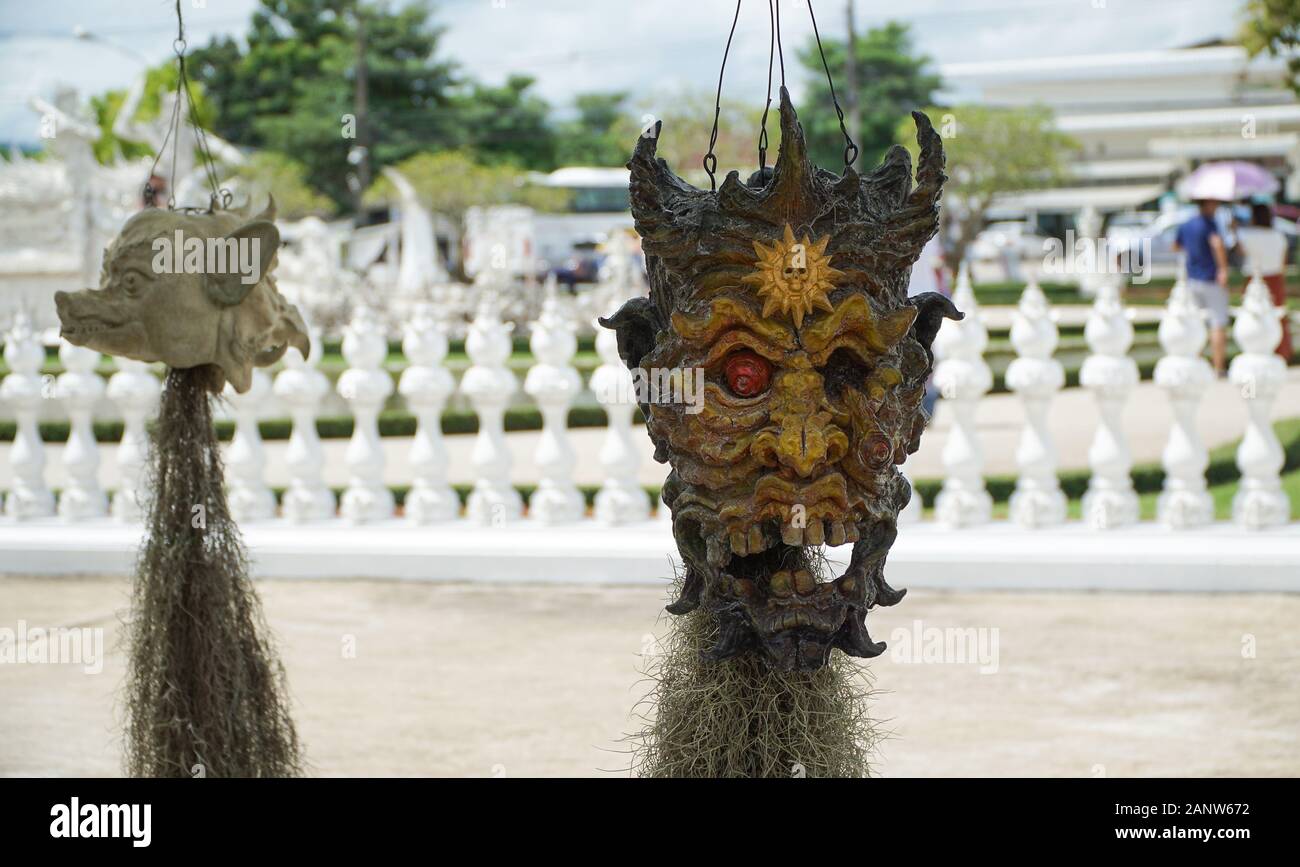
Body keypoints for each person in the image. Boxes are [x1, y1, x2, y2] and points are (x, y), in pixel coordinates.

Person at [1172, 199, 1231, 375]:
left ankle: (1196, 363)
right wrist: (1223, 269)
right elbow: (1217, 244)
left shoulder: (1186, 224)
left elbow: (1175, 246)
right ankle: (1218, 367)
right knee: (1217, 323)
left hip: (1193, 280)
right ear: (1207, 205)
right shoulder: (1209, 224)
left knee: (1196, 323)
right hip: (1211, 278)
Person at [1236, 202, 1293, 362]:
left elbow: (1239, 251)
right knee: (1278, 316)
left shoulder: (1245, 234)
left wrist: (1234, 229)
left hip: (1254, 279)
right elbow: (1283, 263)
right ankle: (1282, 353)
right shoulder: (1279, 236)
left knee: (1253, 315)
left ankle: (1253, 348)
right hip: (1275, 278)